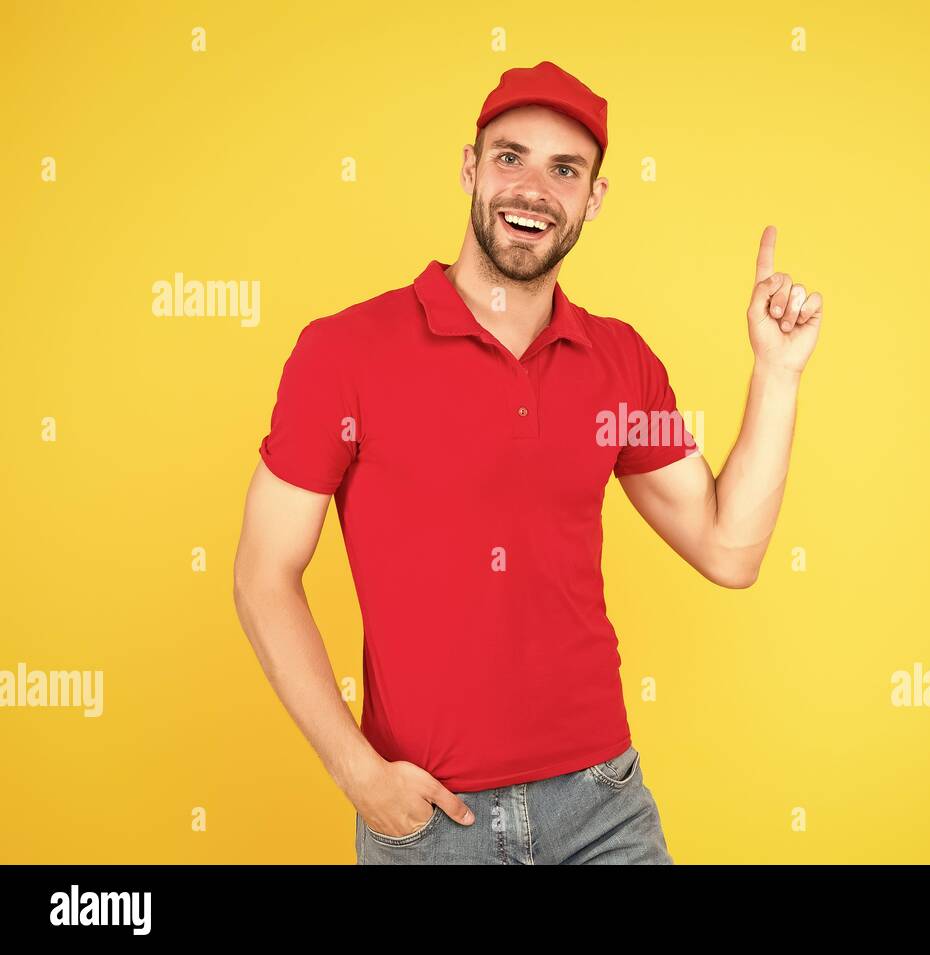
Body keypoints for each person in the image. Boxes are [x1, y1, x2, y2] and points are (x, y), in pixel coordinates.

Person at [232, 60, 823, 865]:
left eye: (565, 169)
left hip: (602, 804)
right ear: (471, 168)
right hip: (430, 820)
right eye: (510, 157)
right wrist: (359, 775)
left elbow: (730, 548)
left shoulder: (618, 359)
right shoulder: (345, 351)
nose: (533, 188)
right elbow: (264, 572)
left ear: (594, 198)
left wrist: (777, 373)